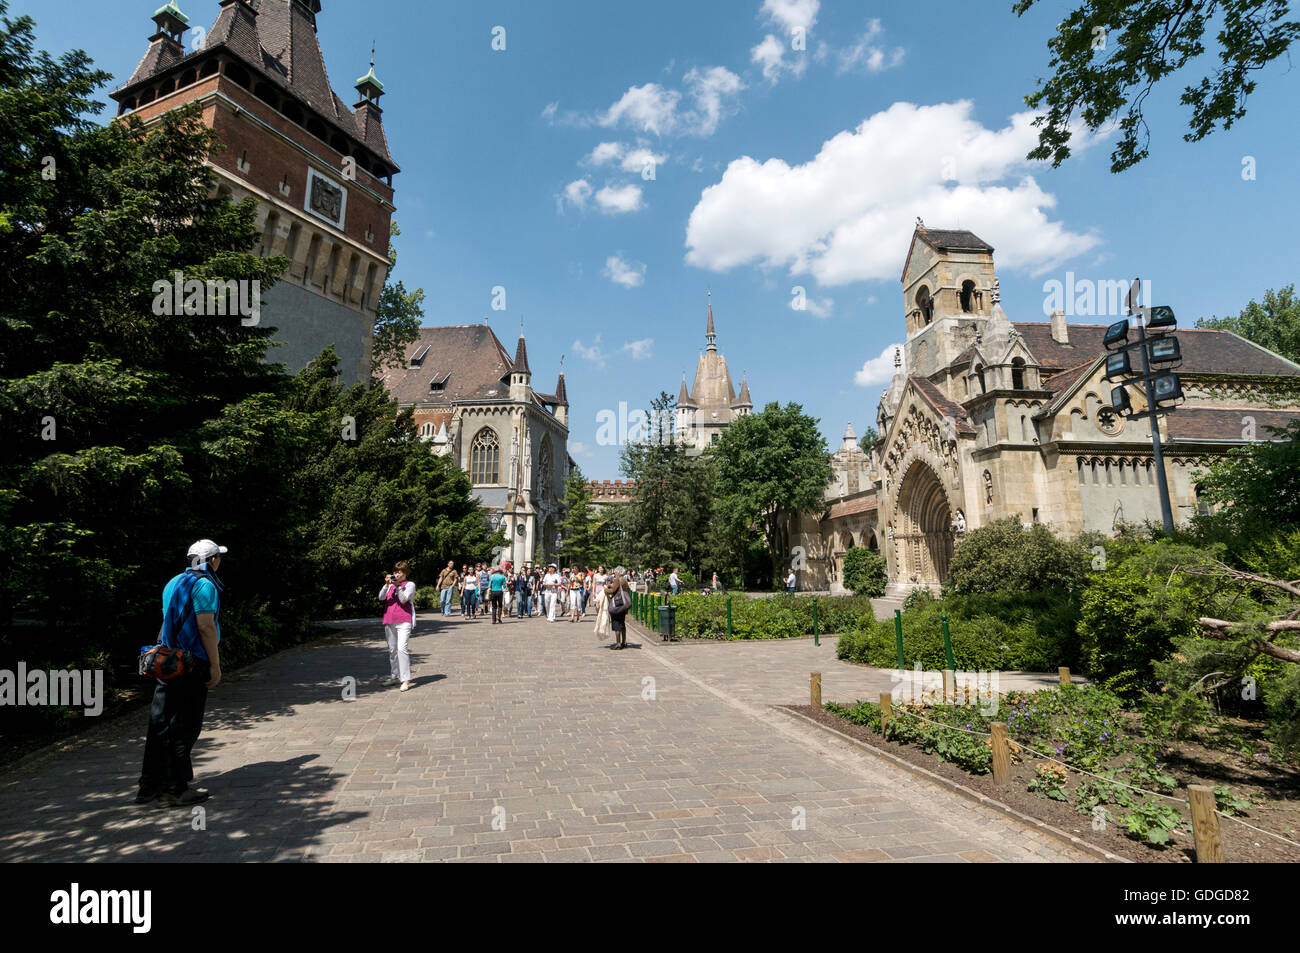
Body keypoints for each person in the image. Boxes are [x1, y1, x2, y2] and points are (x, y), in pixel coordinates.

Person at [138, 538, 226, 807]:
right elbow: (206, 627)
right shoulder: (204, 585)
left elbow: (167, 622)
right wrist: (215, 665)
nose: (219, 561)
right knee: (184, 726)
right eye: (218, 558)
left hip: (168, 662)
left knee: (160, 724)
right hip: (191, 664)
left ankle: (149, 787)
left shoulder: (172, 583)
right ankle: (175, 788)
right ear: (211, 561)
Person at [380, 561, 416, 691]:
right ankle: (395, 676)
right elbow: (381, 597)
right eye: (395, 572)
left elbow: (403, 599)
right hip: (389, 619)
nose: (396, 574)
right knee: (392, 650)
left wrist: (398, 586)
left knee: (402, 649)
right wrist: (386, 585)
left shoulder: (410, 585)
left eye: (399, 572)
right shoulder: (390, 585)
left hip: (404, 620)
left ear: (405, 573)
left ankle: (405, 679)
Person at [607, 567, 632, 650]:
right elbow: (627, 589)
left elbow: (613, 590)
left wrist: (606, 589)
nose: (614, 574)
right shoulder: (624, 580)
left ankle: (618, 643)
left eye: (615, 572)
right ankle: (624, 642)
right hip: (623, 605)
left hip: (617, 604)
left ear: (618, 572)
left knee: (616, 623)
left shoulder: (617, 580)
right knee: (622, 623)